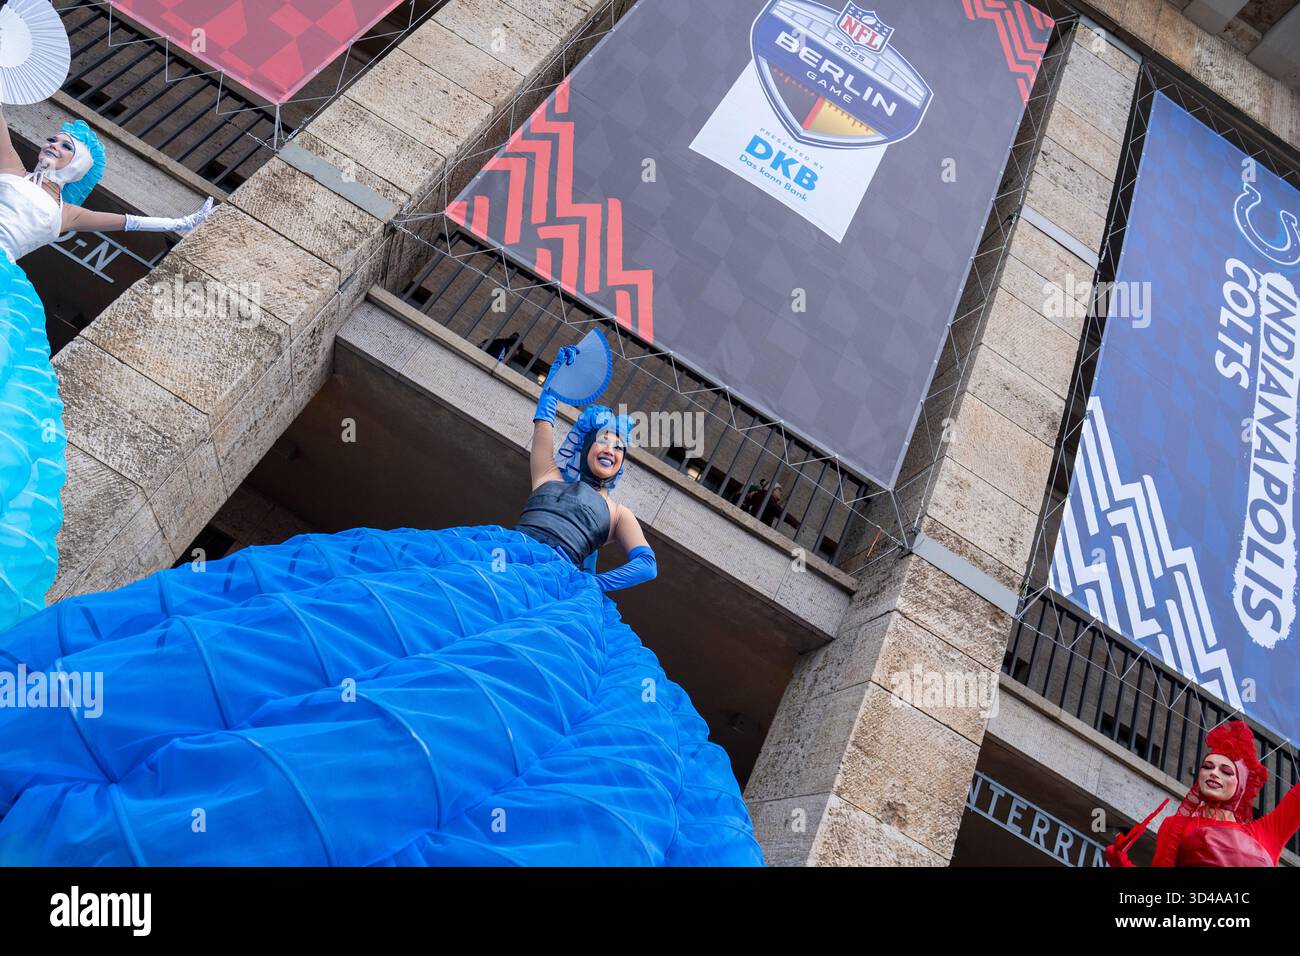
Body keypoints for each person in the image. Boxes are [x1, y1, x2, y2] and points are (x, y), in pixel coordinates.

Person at [0, 345, 763, 866]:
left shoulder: (617, 510)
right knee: (322, 620)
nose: (611, 454)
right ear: (590, 440)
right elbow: (539, 436)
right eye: (605, 443)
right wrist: (554, 395)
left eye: (621, 451)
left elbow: (645, 564)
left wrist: (598, 589)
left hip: (564, 599)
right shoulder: (551, 480)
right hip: (490, 565)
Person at [0, 110, 214, 628]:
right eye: (53, 139)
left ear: (81, 167)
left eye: (65, 145)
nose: (51, 145)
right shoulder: (10, 174)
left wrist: (184, 224)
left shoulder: (66, 214)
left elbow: (130, 223)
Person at [1106, 720, 1300, 867]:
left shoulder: (1267, 832)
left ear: (1241, 785)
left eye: (1226, 771)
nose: (1213, 773)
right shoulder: (1174, 827)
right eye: (1207, 767)